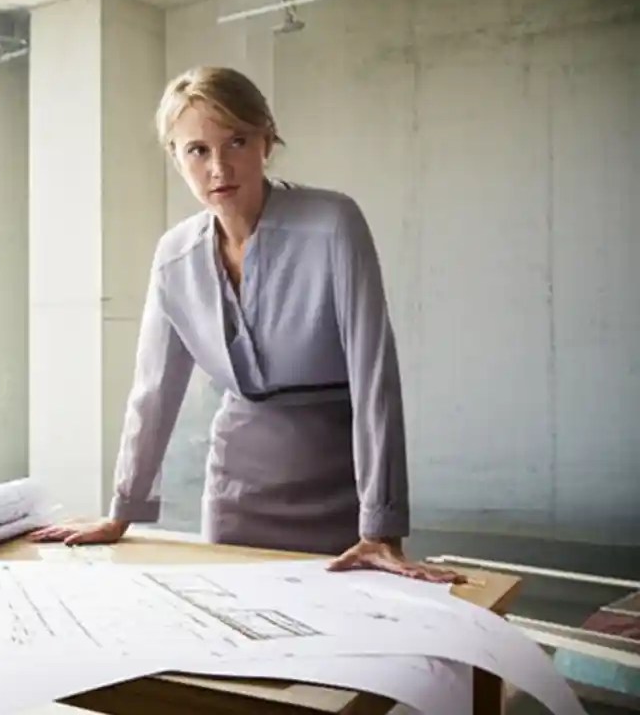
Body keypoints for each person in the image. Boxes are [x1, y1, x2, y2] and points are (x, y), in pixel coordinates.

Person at [29, 66, 459, 584]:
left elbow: (375, 379)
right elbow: (154, 393)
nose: (218, 166)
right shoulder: (174, 256)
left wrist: (382, 528)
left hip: (340, 488)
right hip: (236, 489)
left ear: (266, 141)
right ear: (174, 156)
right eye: (197, 150)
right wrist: (122, 511)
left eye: (236, 140)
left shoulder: (334, 223)